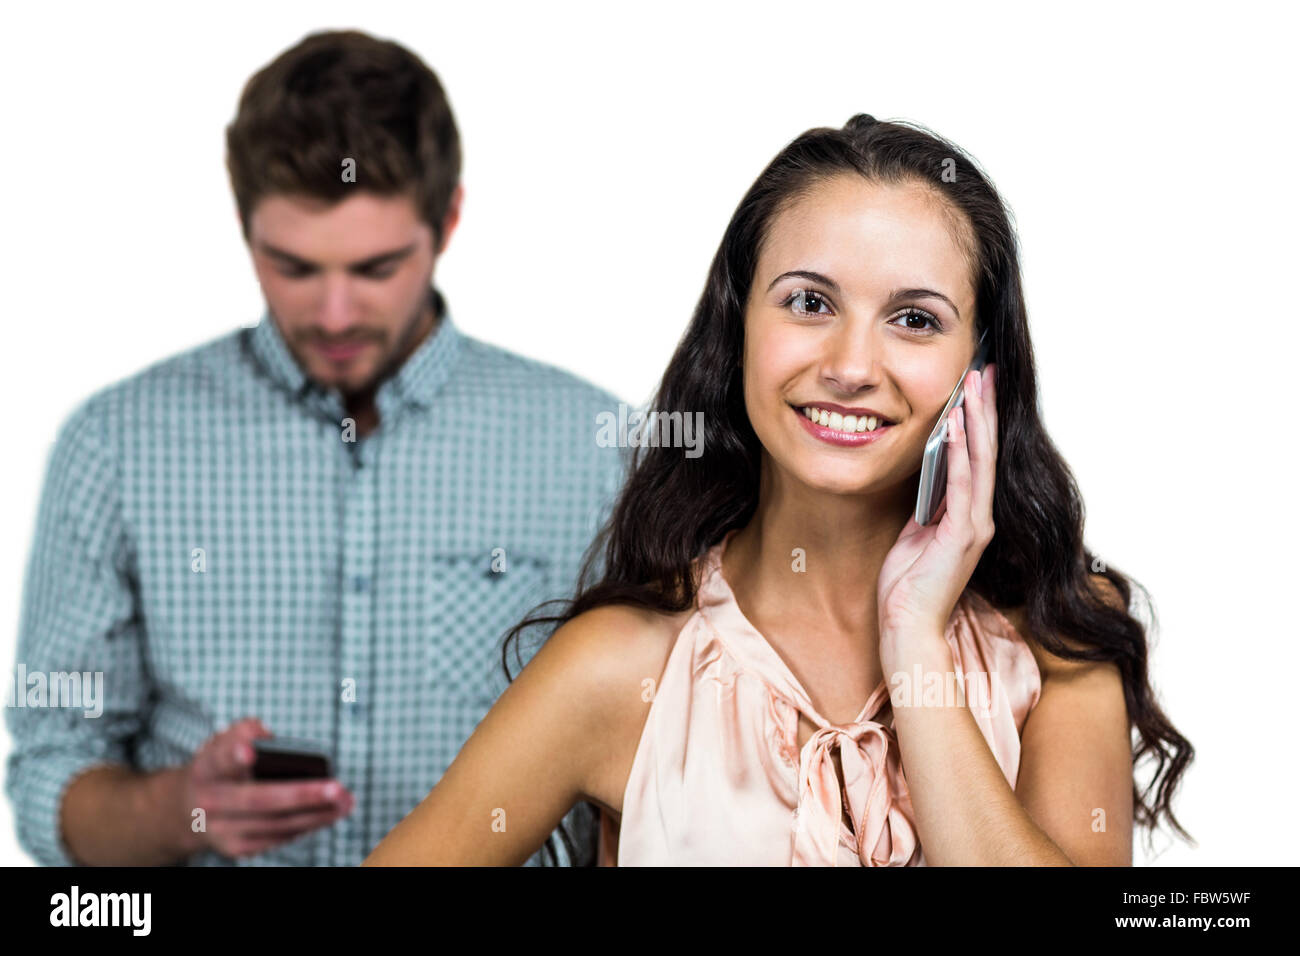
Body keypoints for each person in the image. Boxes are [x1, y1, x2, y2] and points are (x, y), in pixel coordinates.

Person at [364, 113, 1194, 867]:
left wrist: (914, 640)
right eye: (809, 302)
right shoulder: (621, 665)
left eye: (914, 319)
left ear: (978, 372)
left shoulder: (1059, 638)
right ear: (739, 333)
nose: (849, 367)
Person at [5, 29, 624, 866]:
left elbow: (649, 768)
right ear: (243, 225)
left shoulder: (592, 449)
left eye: (374, 268)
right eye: (293, 266)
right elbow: (52, 767)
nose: (334, 314)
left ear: (447, 220)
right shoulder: (115, 444)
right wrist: (181, 807)